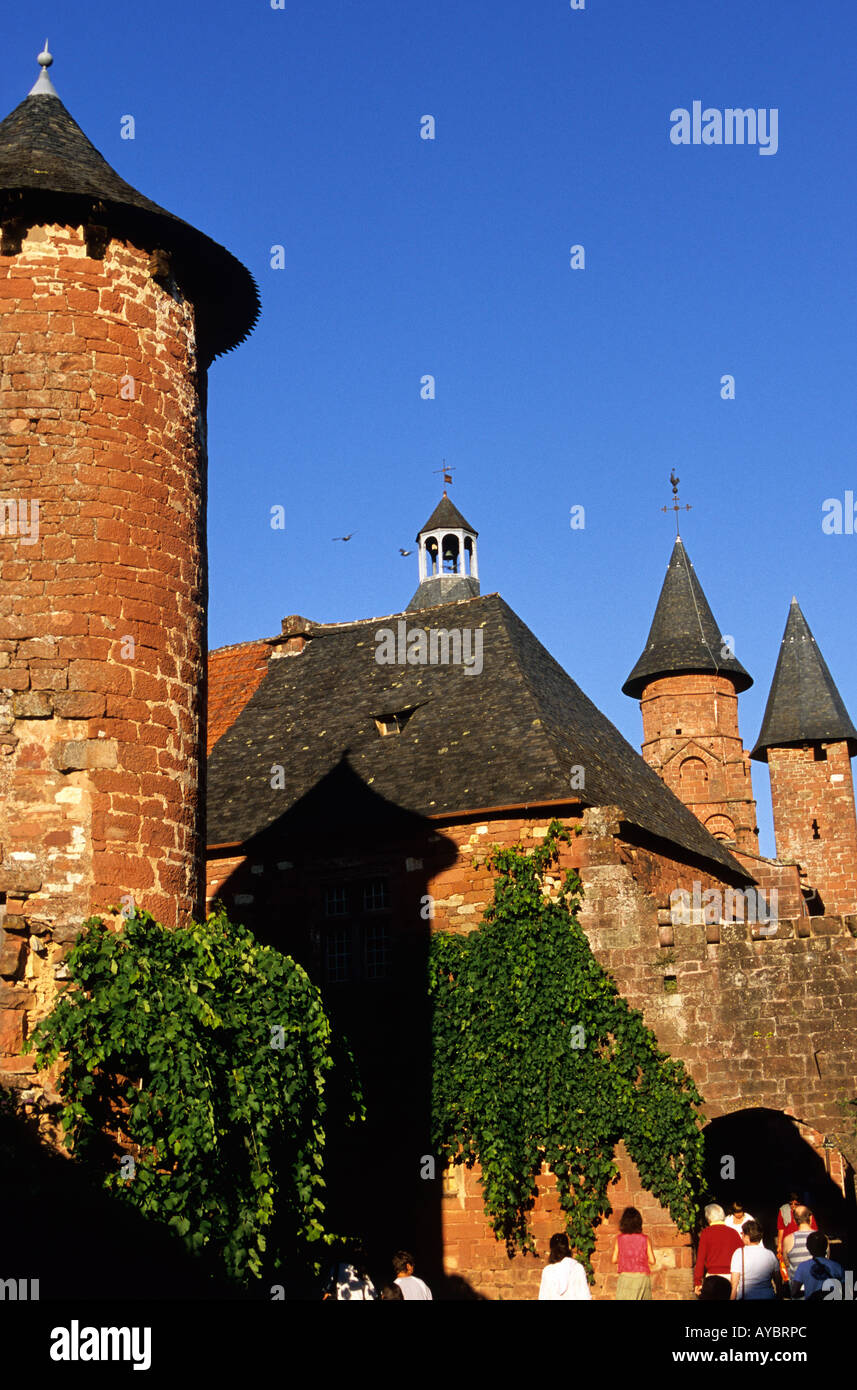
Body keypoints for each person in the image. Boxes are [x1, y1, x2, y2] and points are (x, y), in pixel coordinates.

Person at [693, 1204, 742, 1296]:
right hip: (731, 1277)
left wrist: (697, 1281)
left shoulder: (706, 1233)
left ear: (708, 1218)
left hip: (712, 1279)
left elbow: (700, 1259)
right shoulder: (733, 1232)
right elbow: (742, 1255)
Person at [611, 1206, 655, 1300]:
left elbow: (614, 1260)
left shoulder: (619, 1239)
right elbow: (652, 1260)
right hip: (642, 1278)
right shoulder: (645, 1239)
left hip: (625, 1278)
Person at [730, 1220, 781, 1300]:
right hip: (768, 1296)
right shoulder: (770, 1254)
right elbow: (778, 1281)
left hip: (747, 1296)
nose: (741, 1236)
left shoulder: (739, 1253)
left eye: (742, 1234)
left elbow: (734, 1284)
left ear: (747, 1237)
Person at [538, 1232, 592, 1300]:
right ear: (567, 1247)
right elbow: (585, 1296)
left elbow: (543, 1297)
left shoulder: (548, 1271)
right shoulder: (577, 1268)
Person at [793, 1232, 845, 1301]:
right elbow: (848, 1292)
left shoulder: (802, 1267)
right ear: (826, 1246)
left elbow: (794, 1292)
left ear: (808, 1247)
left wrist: (809, 1292)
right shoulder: (837, 1266)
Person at [776, 1192, 817, 1273]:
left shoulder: (806, 1212)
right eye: (790, 1203)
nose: (793, 1206)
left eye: (796, 1204)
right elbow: (781, 1228)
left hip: (803, 1242)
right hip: (788, 1242)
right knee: (788, 1266)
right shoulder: (784, 1210)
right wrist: (780, 1244)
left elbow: (814, 1229)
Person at [783, 1206, 814, 1296]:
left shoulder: (788, 1240)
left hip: (798, 1290)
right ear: (810, 1217)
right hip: (818, 1289)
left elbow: (786, 1263)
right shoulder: (822, 1238)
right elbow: (826, 1259)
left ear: (794, 1220)